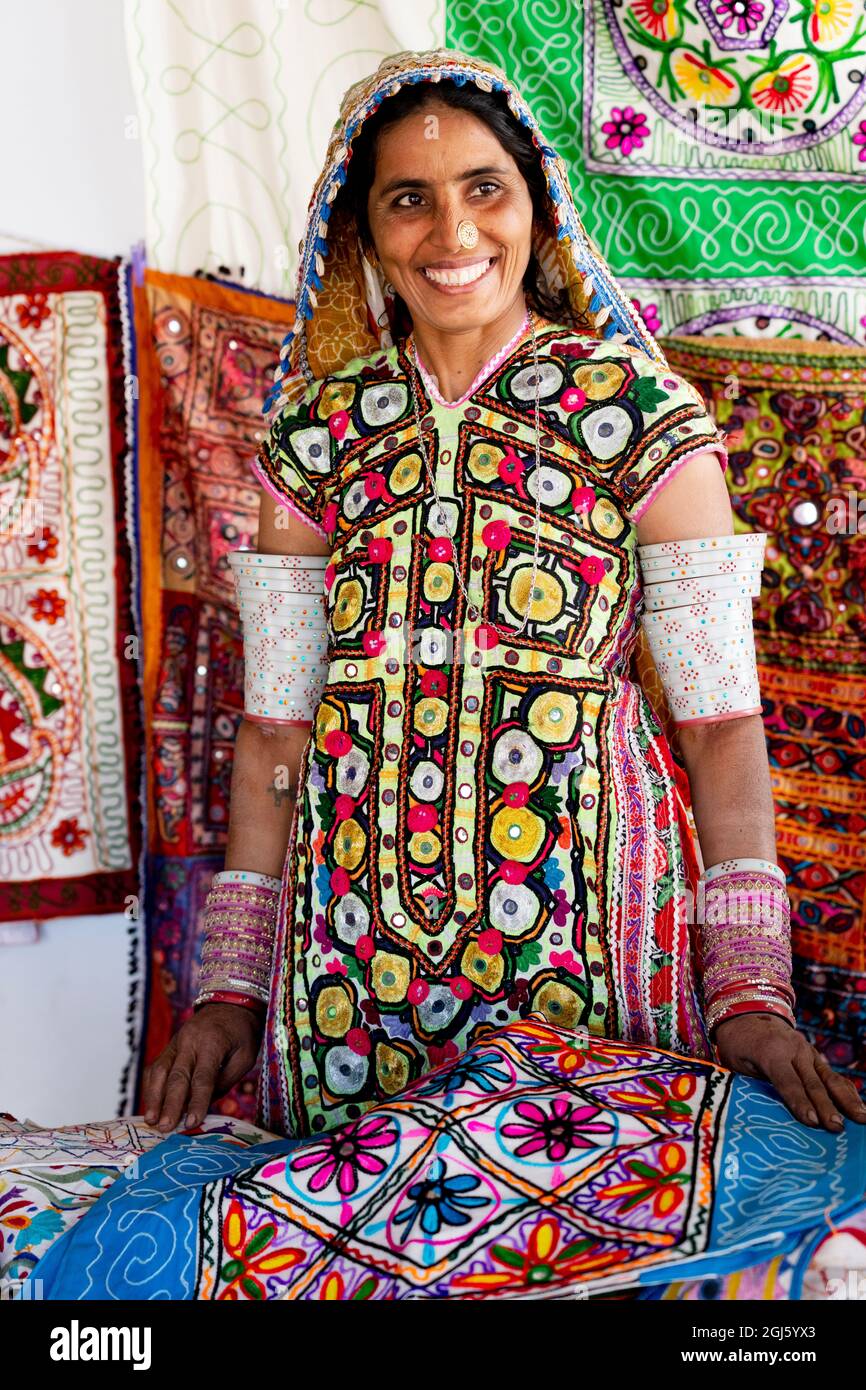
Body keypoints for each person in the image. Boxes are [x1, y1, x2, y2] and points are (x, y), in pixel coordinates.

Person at [3, 47, 865, 1303]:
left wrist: (748, 990)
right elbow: (273, 734)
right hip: (350, 969)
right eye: (408, 199)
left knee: (593, 1263)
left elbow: (721, 726)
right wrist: (232, 989)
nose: (452, 232)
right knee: (343, 1265)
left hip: (587, 958)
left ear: (537, 207)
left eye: (482, 188)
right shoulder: (316, 437)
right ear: (363, 231)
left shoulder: (636, 414)